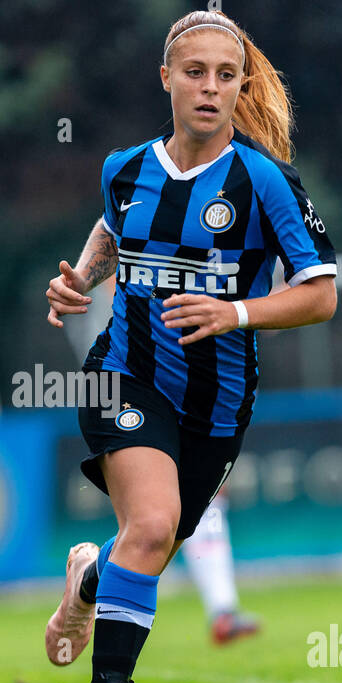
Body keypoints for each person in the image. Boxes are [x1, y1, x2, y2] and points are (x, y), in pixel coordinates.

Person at [43, 10, 338, 683]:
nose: (210, 87)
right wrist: (79, 282)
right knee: (152, 525)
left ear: (242, 86)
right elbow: (113, 233)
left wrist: (236, 311)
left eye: (226, 75)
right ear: (166, 78)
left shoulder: (263, 181)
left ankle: (87, 581)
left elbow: (320, 295)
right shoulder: (123, 168)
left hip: (219, 401)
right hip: (124, 376)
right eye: (196, 72)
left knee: (149, 549)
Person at [65, 276, 258, 645]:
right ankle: (219, 608)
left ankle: (92, 581)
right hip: (132, 378)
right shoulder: (138, 233)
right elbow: (117, 283)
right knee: (151, 523)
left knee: (184, 512)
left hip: (192, 383)